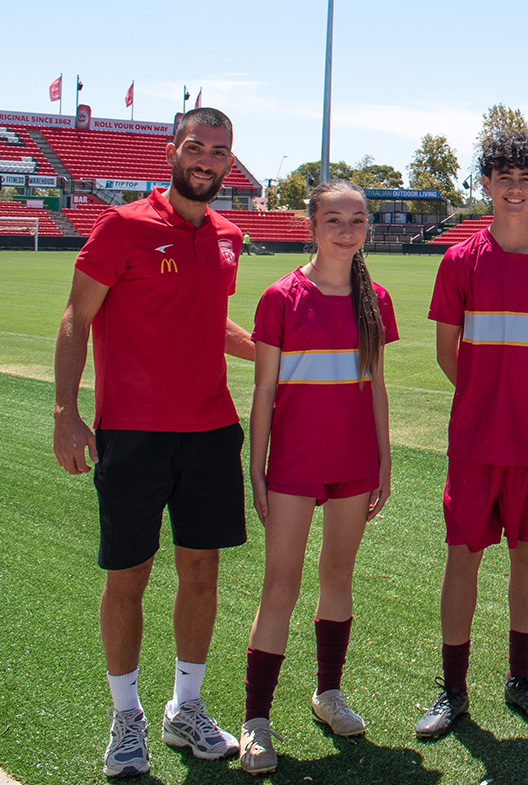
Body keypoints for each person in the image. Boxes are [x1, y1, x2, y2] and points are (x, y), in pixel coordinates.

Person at [52, 107, 249, 778]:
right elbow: (77, 317)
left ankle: (184, 708)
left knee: (201, 572)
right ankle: (125, 717)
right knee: (128, 574)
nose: (207, 159)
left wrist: (281, 352)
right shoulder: (124, 226)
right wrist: (65, 410)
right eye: (197, 145)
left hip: (212, 431)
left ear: (230, 162)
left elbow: (211, 321)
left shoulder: (228, 236)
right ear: (173, 149)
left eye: (220, 150)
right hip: (132, 434)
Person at [416, 131, 528, 737]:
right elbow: (449, 354)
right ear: (486, 186)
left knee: (527, 553)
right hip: (475, 439)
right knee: (462, 555)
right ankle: (453, 689)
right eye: (503, 177)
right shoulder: (459, 261)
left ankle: (520, 679)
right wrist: (488, 401)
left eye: (526, 178)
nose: (515, 188)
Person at [238, 180, 398, 773]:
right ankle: (256, 720)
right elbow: (262, 392)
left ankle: (328, 693)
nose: (347, 229)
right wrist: (255, 468)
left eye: (357, 219)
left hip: (354, 462)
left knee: (338, 575)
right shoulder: (281, 297)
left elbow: (376, 387)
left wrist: (384, 458)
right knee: (280, 584)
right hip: (295, 464)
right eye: (335, 218)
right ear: (312, 225)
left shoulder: (375, 299)